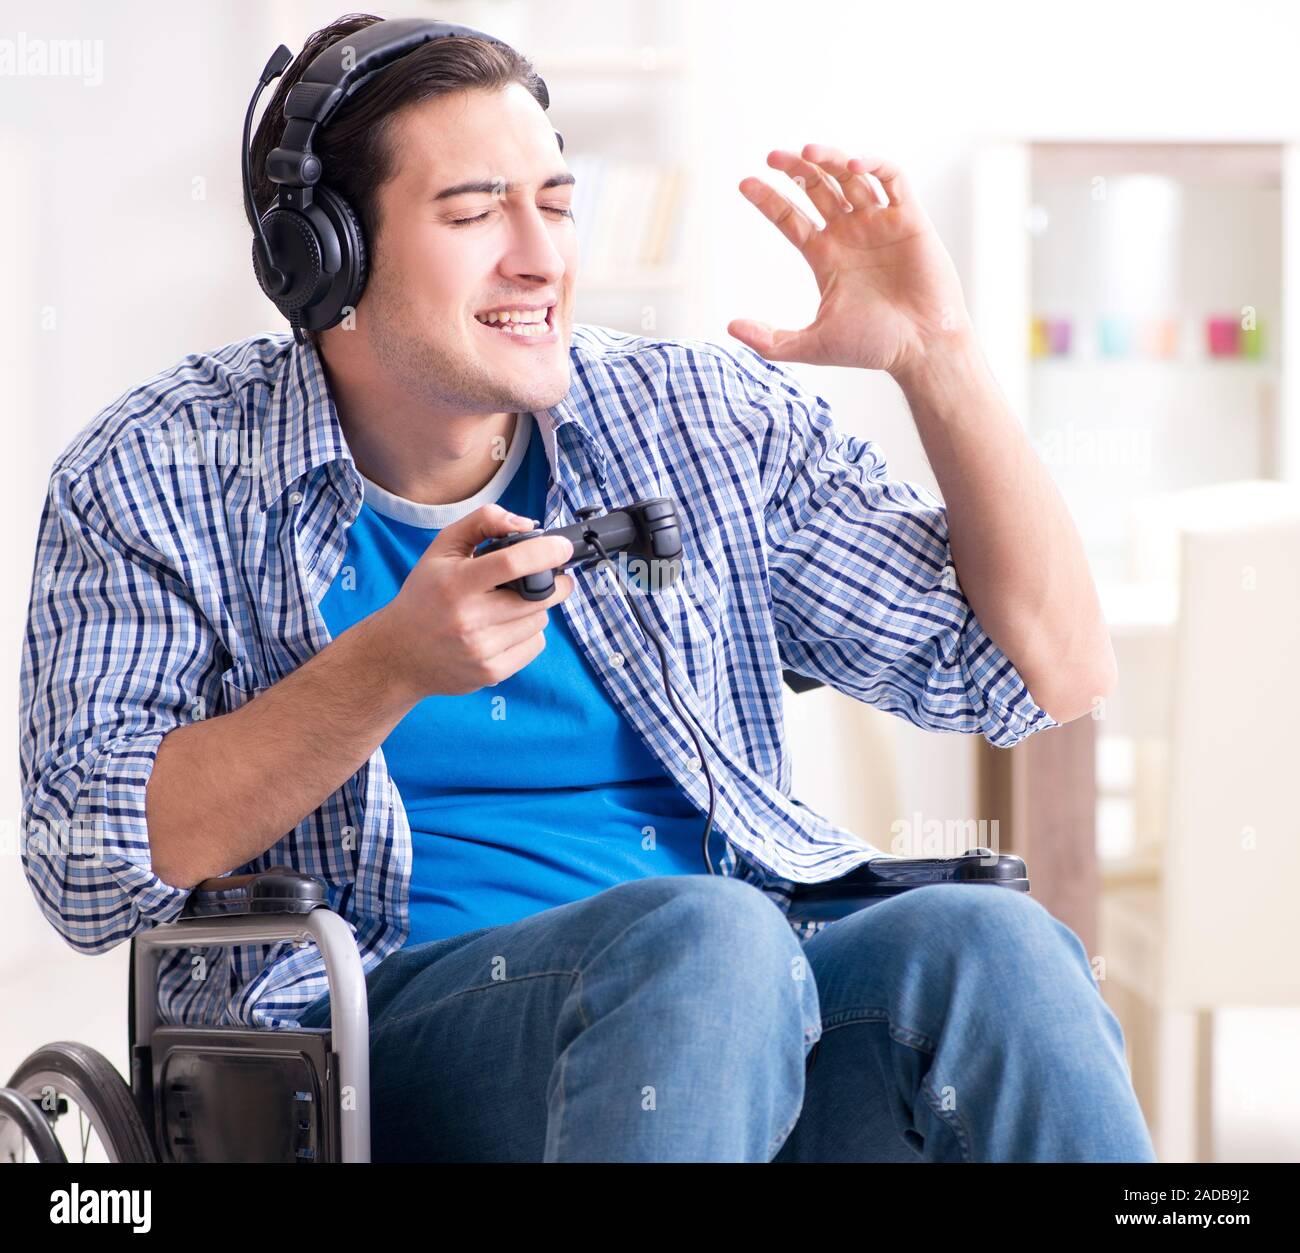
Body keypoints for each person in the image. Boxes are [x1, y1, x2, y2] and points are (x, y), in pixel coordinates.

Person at [18, 13, 1153, 1162]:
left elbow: (1047, 672)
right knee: (704, 941)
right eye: (475, 213)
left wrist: (938, 354)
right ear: (325, 259)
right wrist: (387, 666)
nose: (540, 256)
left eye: (556, 204)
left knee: (992, 944)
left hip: (742, 1019)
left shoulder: (695, 419)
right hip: (376, 1051)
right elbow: (87, 864)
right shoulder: (161, 467)